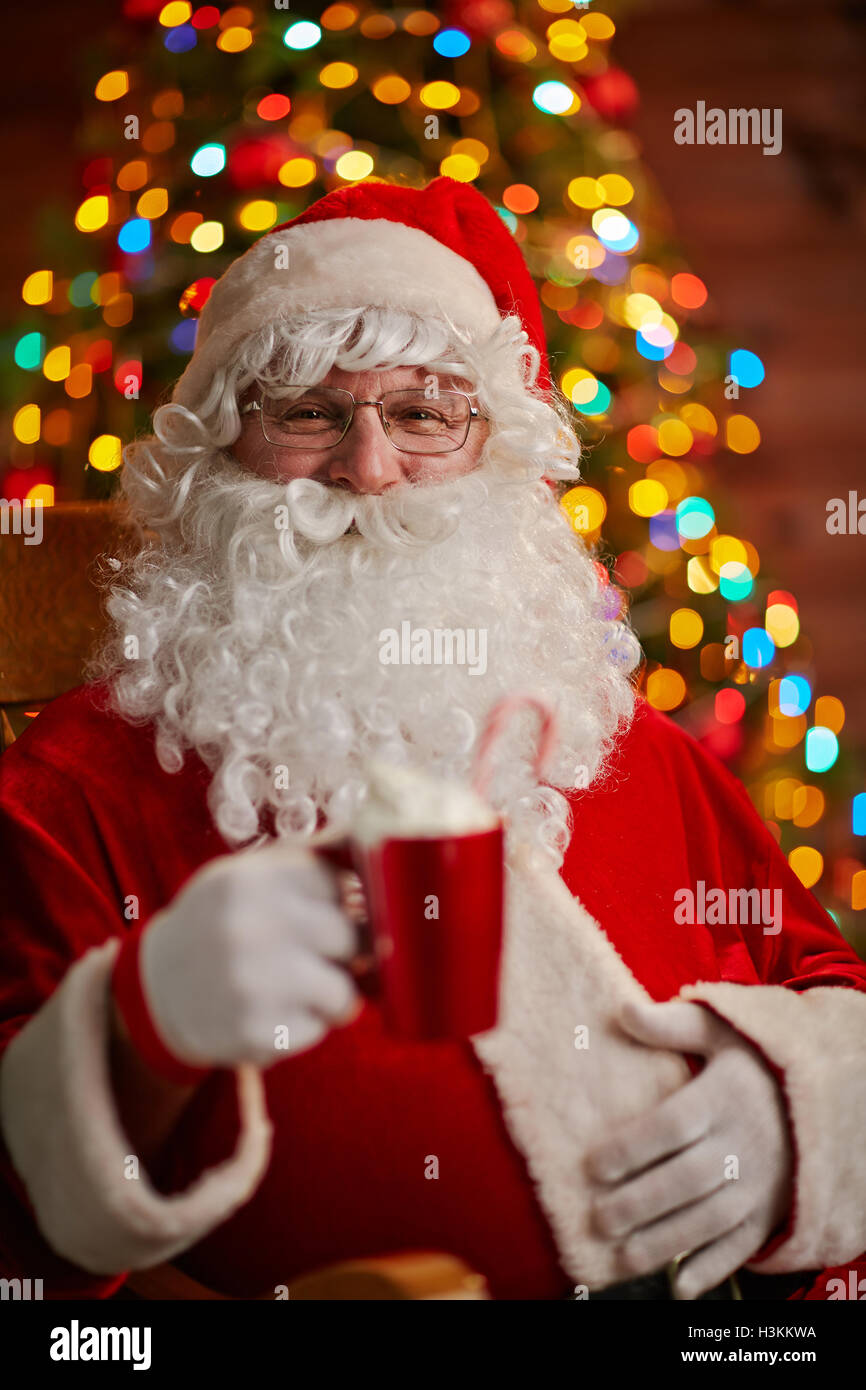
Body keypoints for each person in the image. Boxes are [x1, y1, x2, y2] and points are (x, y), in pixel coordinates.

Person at [1, 176, 864, 1302]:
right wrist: (139, 1025)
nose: (368, 471)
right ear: (221, 449)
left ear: (497, 455)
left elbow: (821, 979)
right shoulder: (72, 785)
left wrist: (803, 1101)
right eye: (307, 412)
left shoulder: (625, 748)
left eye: (422, 414)